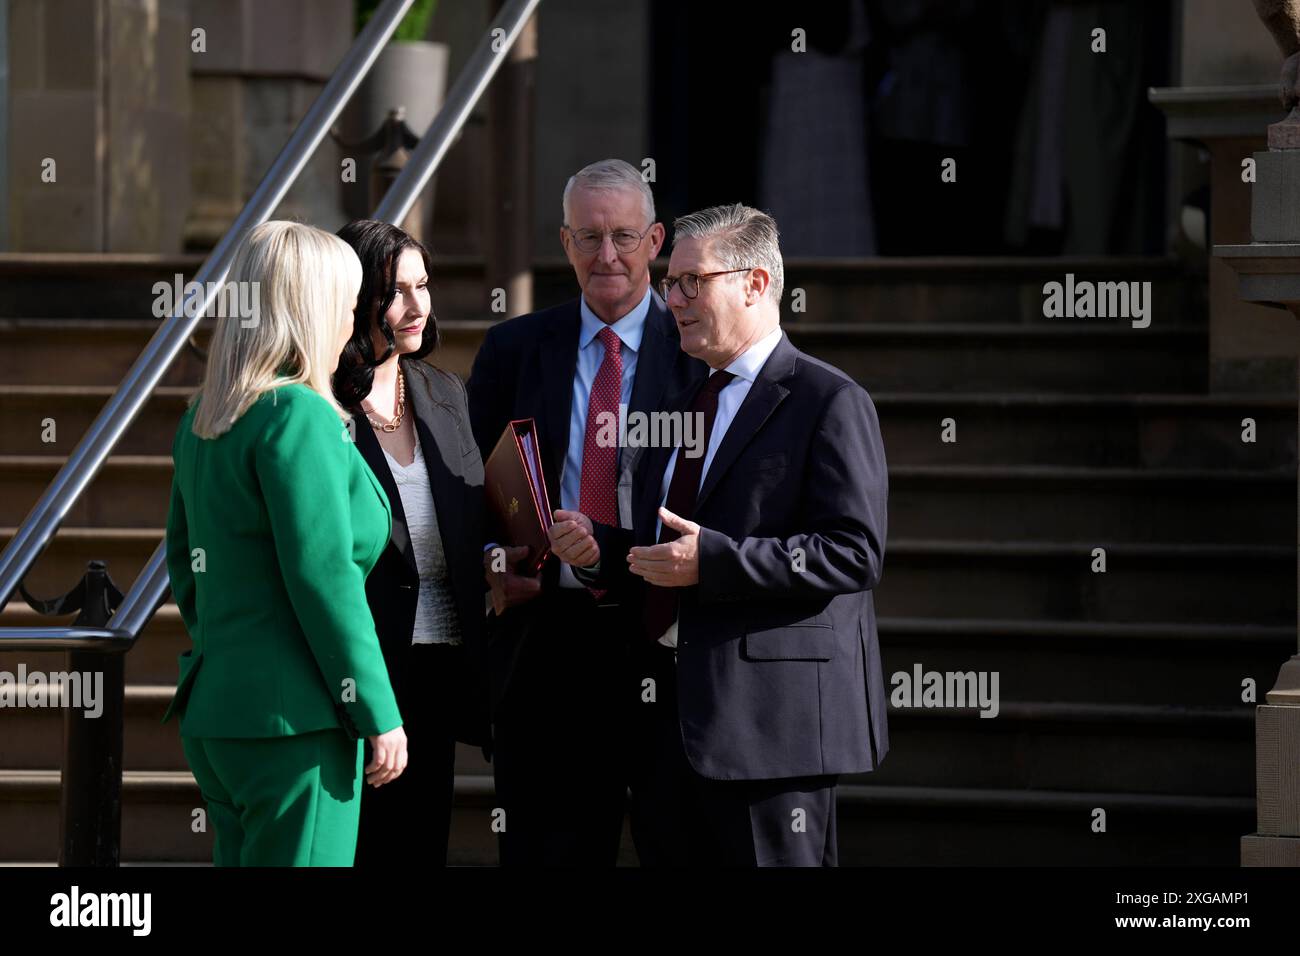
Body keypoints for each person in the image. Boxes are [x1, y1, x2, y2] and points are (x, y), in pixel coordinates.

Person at [548, 203, 890, 866]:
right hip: (665, 729)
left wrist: (714, 562)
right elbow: (668, 544)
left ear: (755, 284)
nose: (670, 299)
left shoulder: (827, 399)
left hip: (769, 734)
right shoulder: (682, 398)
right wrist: (601, 550)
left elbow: (854, 552)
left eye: (690, 282)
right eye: (670, 283)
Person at [465, 158, 706, 865]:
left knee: (679, 846)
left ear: (656, 240)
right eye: (590, 237)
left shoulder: (699, 354)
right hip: (549, 646)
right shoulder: (514, 349)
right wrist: (491, 558)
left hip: (664, 639)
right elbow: (470, 486)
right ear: (565, 242)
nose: (608, 256)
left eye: (625, 237)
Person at [163, 220, 407, 867]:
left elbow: (186, 567)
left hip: (222, 716)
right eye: (347, 306)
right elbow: (324, 577)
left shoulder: (204, 417)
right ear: (312, 310)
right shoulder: (296, 415)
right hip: (297, 722)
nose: (351, 324)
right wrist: (378, 710)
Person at [333, 219, 490, 867]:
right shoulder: (323, 405)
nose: (417, 306)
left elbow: (473, 513)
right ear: (354, 299)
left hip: (438, 665)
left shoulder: (444, 392)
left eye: (423, 285)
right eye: (395, 291)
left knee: (421, 848)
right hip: (358, 669)